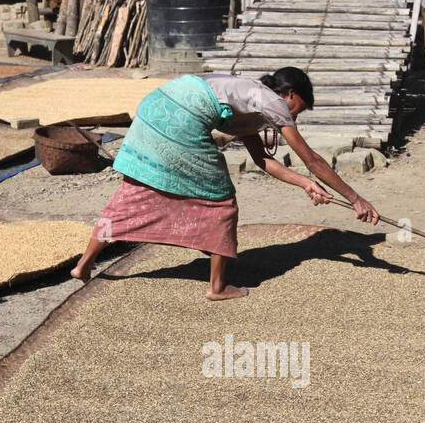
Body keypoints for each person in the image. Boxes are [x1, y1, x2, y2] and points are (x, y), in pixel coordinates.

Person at [70, 67, 380, 301]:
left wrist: (305, 185)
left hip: (156, 107)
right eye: (301, 105)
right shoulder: (274, 102)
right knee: (220, 202)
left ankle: (83, 265)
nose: (297, 113)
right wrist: (355, 199)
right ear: (290, 93)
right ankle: (217, 287)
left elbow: (262, 161)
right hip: (183, 115)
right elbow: (312, 159)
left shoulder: (249, 102)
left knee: (137, 191)